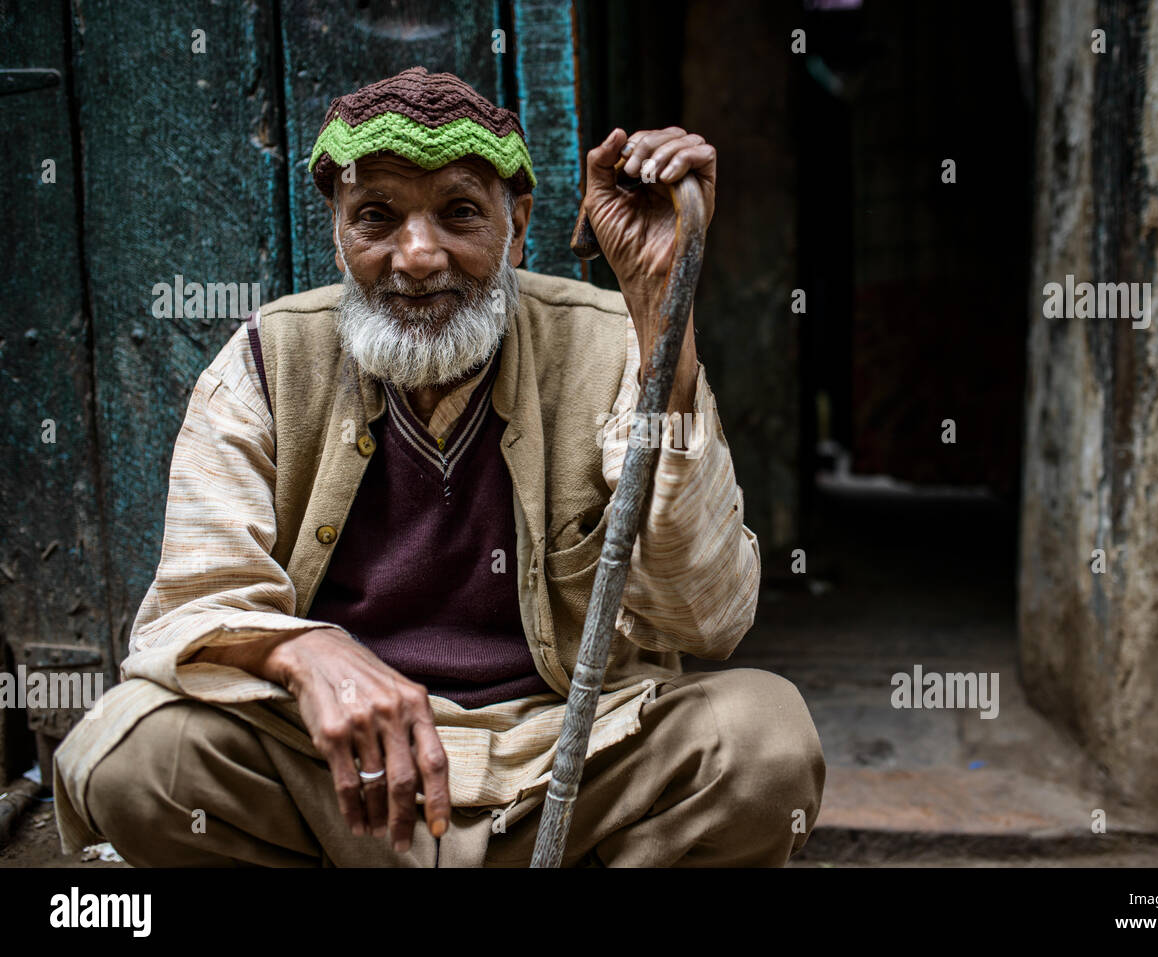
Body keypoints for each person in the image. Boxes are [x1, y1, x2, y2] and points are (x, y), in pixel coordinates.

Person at [53, 67, 824, 867]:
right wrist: (305, 651)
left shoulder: (611, 343)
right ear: (338, 231)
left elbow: (706, 618)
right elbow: (191, 609)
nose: (417, 257)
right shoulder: (267, 359)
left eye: (459, 213)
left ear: (517, 226)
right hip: (343, 785)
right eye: (377, 217)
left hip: (566, 764)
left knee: (762, 739)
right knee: (136, 751)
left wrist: (666, 322)